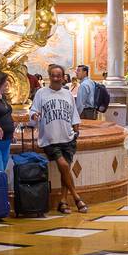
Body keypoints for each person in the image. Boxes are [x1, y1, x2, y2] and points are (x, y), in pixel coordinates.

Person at [30, 64, 85, 213]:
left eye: (58, 76)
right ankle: (76, 197)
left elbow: (74, 116)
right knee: (64, 165)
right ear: (49, 76)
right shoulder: (41, 93)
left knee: (64, 170)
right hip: (50, 138)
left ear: (62, 77)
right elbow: (33, 111)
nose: (55, 78)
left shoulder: (67, 94)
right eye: (53, 75)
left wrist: (76, 133)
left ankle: (63, 201)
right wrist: (34, 116)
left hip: (67, 138)